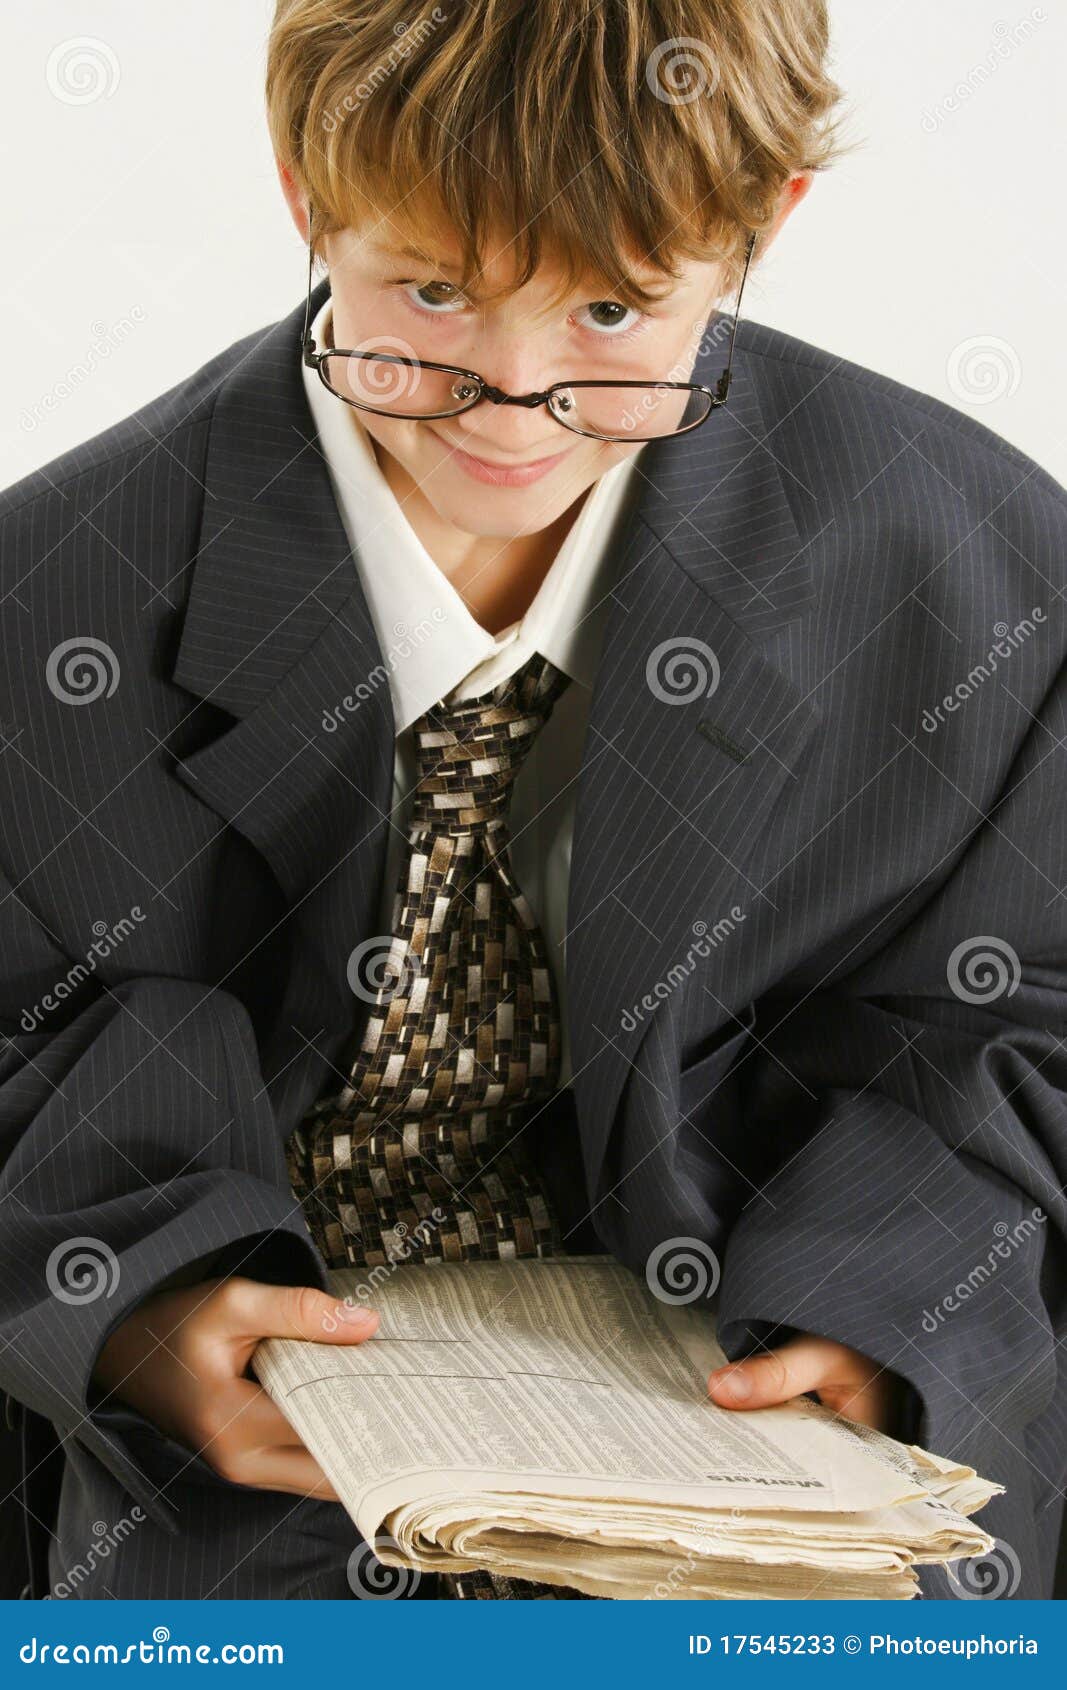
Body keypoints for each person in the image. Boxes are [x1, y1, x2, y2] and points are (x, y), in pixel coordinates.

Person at [0, 0, 1063, 1602]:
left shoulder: (979, 583)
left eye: (616, 314)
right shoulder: (46, 604)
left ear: (760, 228)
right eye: (427, 293)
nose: (509, 402)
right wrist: (133, 1301)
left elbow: (1024, 1012)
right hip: (227, 1490)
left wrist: (887, 1301)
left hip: (775, 1446)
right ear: (304, 192)